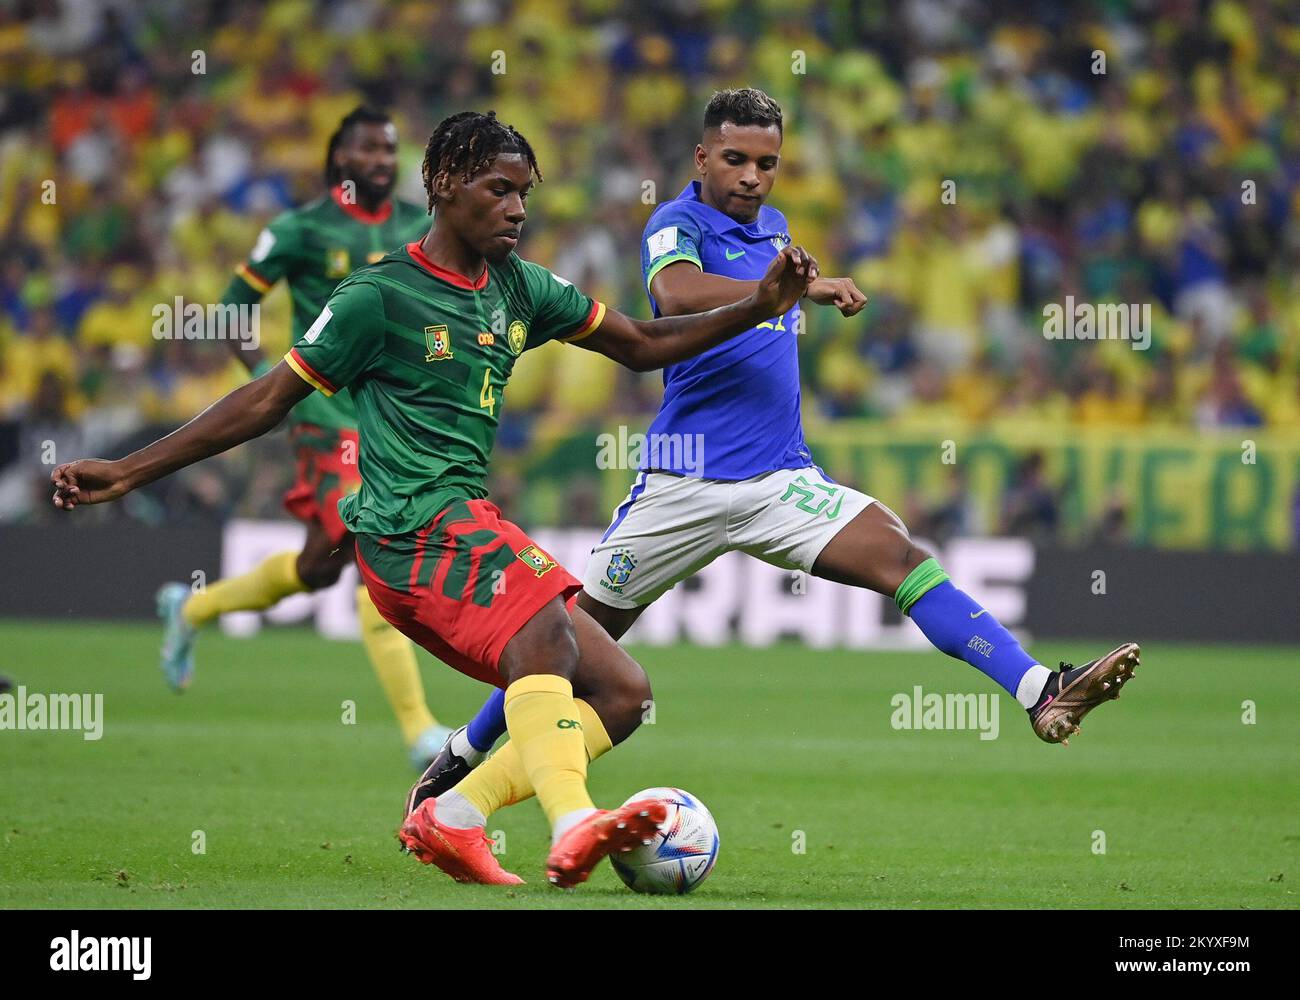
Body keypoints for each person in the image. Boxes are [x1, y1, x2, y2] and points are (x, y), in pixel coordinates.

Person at [50, 109, 818, 888]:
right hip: (407, 532)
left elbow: (640, 344)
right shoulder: (377, 298)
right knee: (548, 628)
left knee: (622, 693)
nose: (518, 209)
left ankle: (453, 815)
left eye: (524, 193)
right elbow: (264, 402)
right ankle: (573, 822)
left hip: (461, 526)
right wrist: (129, 471)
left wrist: (759, 305)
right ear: (444, 185)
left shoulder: (520, 286)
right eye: (500, 190)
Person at [431, 88, 1140, 805]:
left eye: (766, 163)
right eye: (734, 159)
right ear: (702, 157)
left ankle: (1041, 691)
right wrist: (776, 291)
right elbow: (673, 297)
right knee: (567, 637)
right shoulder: (676, 221)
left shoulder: (775, 228)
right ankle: (463, 754)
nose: (750, 177)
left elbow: (775, 287)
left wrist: (812, 286)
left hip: (778, 480)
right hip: (684, 483)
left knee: (904, 559)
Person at [153, 106, 453, 769]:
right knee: (373, 539)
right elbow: (231, 307)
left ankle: (193, 608)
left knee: (320, 565)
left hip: (392, 412)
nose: (382, 160)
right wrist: (268, 380)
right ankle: (420, 730)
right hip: (325, 411)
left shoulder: (417, 227)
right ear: (340, 157)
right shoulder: (298, 229)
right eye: (370, 149)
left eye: (391, 149)